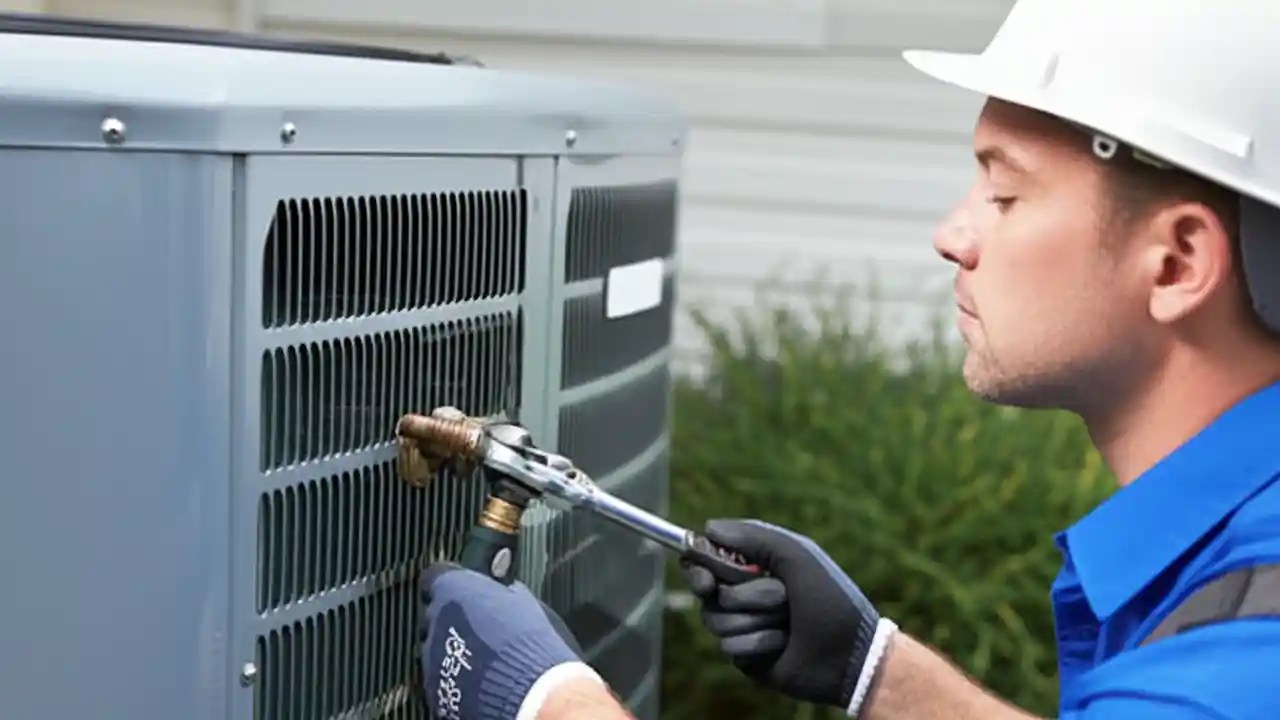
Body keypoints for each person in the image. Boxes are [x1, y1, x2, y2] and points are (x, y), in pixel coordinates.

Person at [416, 0, 1280, 717]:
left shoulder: (1246, 650)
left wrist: (550, 703)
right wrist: (879, 671)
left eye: (1006, 192)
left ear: (1176, 263)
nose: (953, 235)